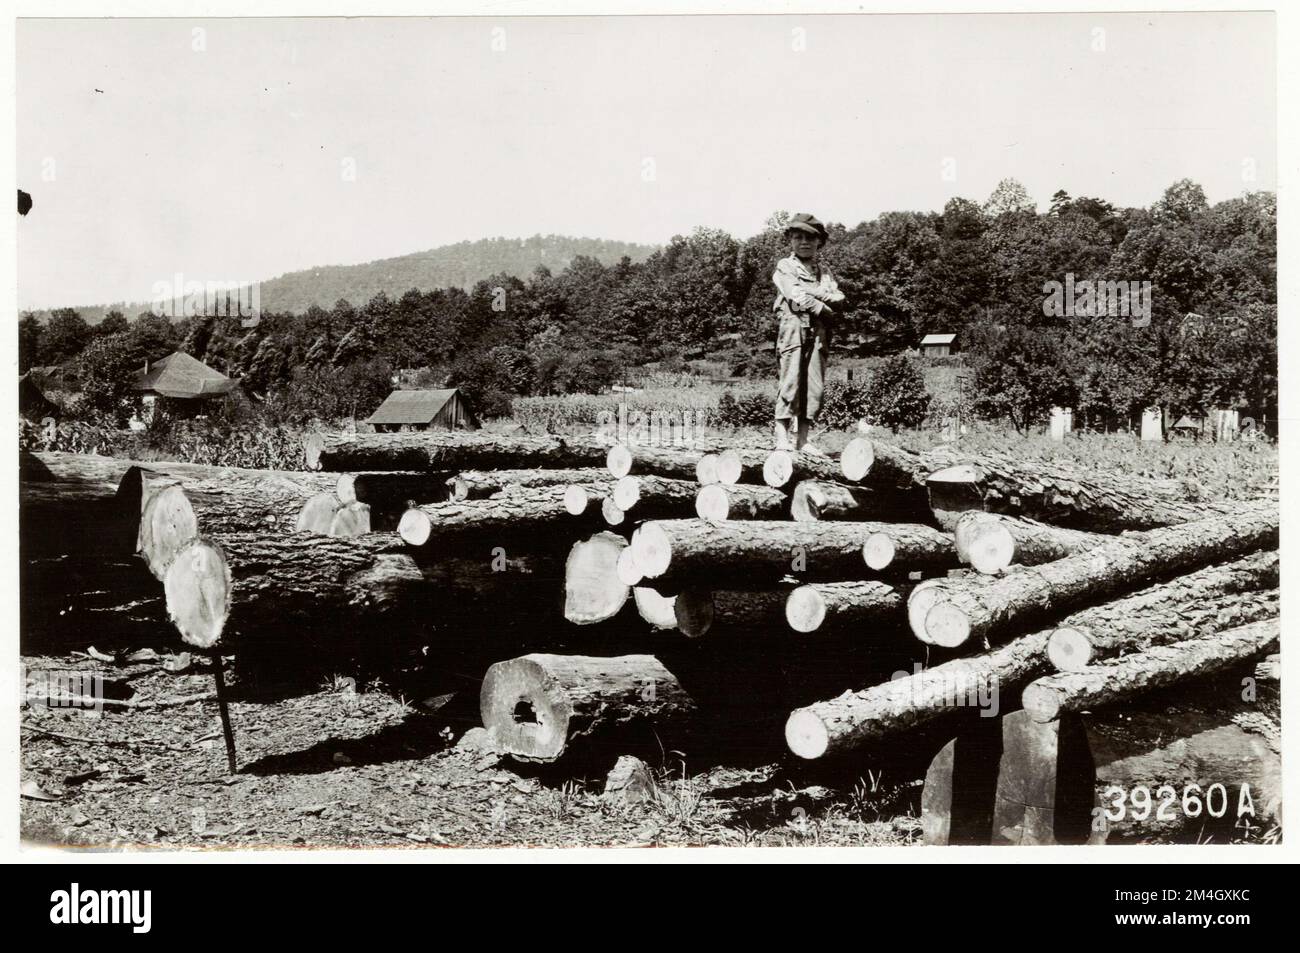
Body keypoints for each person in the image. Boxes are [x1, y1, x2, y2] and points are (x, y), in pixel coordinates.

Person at [772, 213, 844, 454]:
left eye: (810, 238)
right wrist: (823, 304)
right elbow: (796, 296)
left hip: (819, 332)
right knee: (790, 381)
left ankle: (803, 440)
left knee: (814, 386)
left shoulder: (823, 271)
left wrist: (815, 294)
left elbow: (840, 297)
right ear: (790, 240)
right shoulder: (785, 266)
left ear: (819, 242)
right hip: (793, 328)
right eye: (798, 237)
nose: (804, 242)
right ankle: (782, 438)